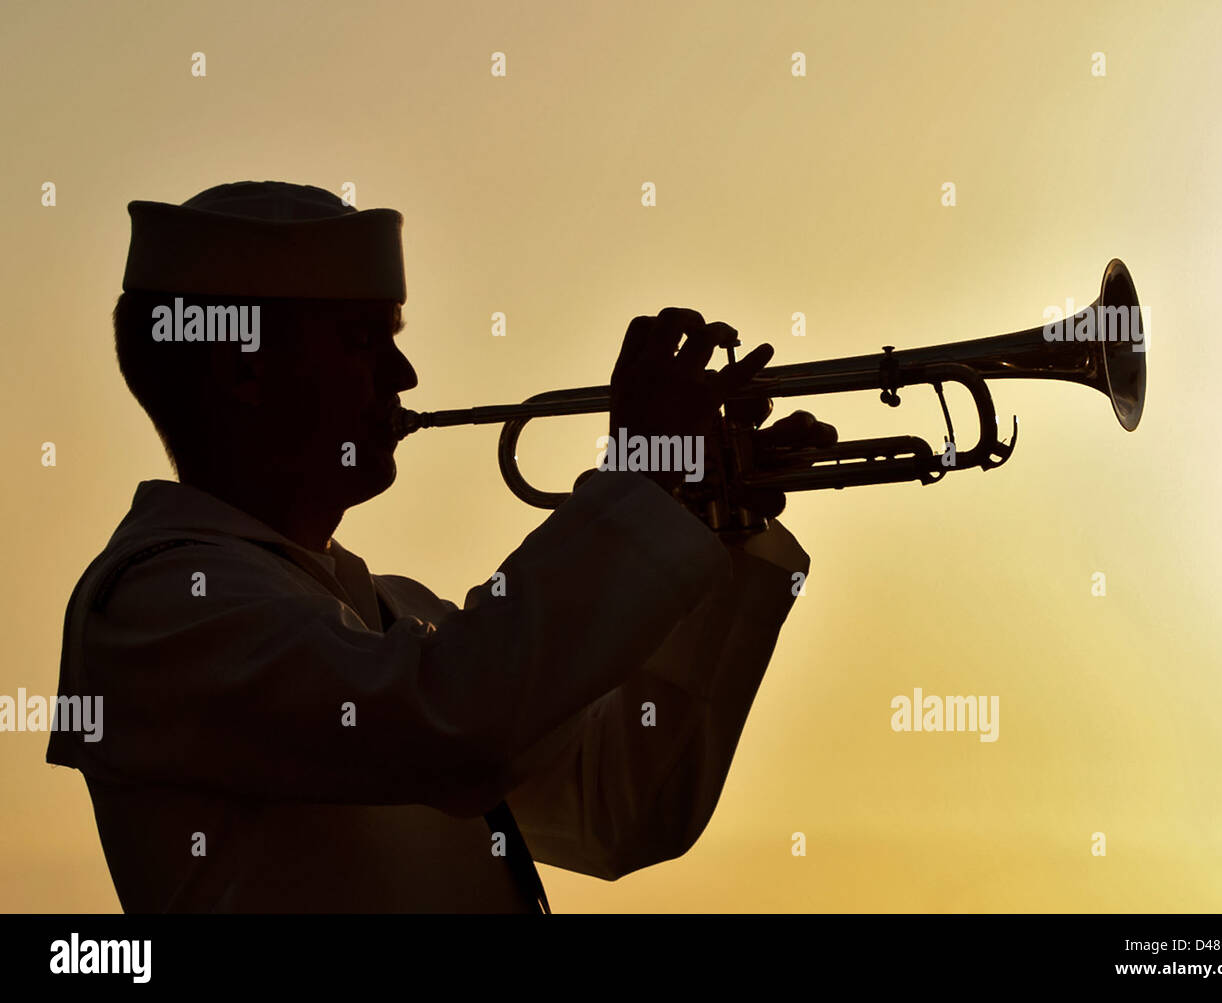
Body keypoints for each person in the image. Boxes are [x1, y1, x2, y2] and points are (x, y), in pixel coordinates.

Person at [45, 180, 836, 912]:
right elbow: (454, 721)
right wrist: (639, 482)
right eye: (364, 340)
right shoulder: (155, 606)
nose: (405, 371)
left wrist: (712, 526)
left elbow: (619, 809)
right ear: (242, 366)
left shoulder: (393, 611)